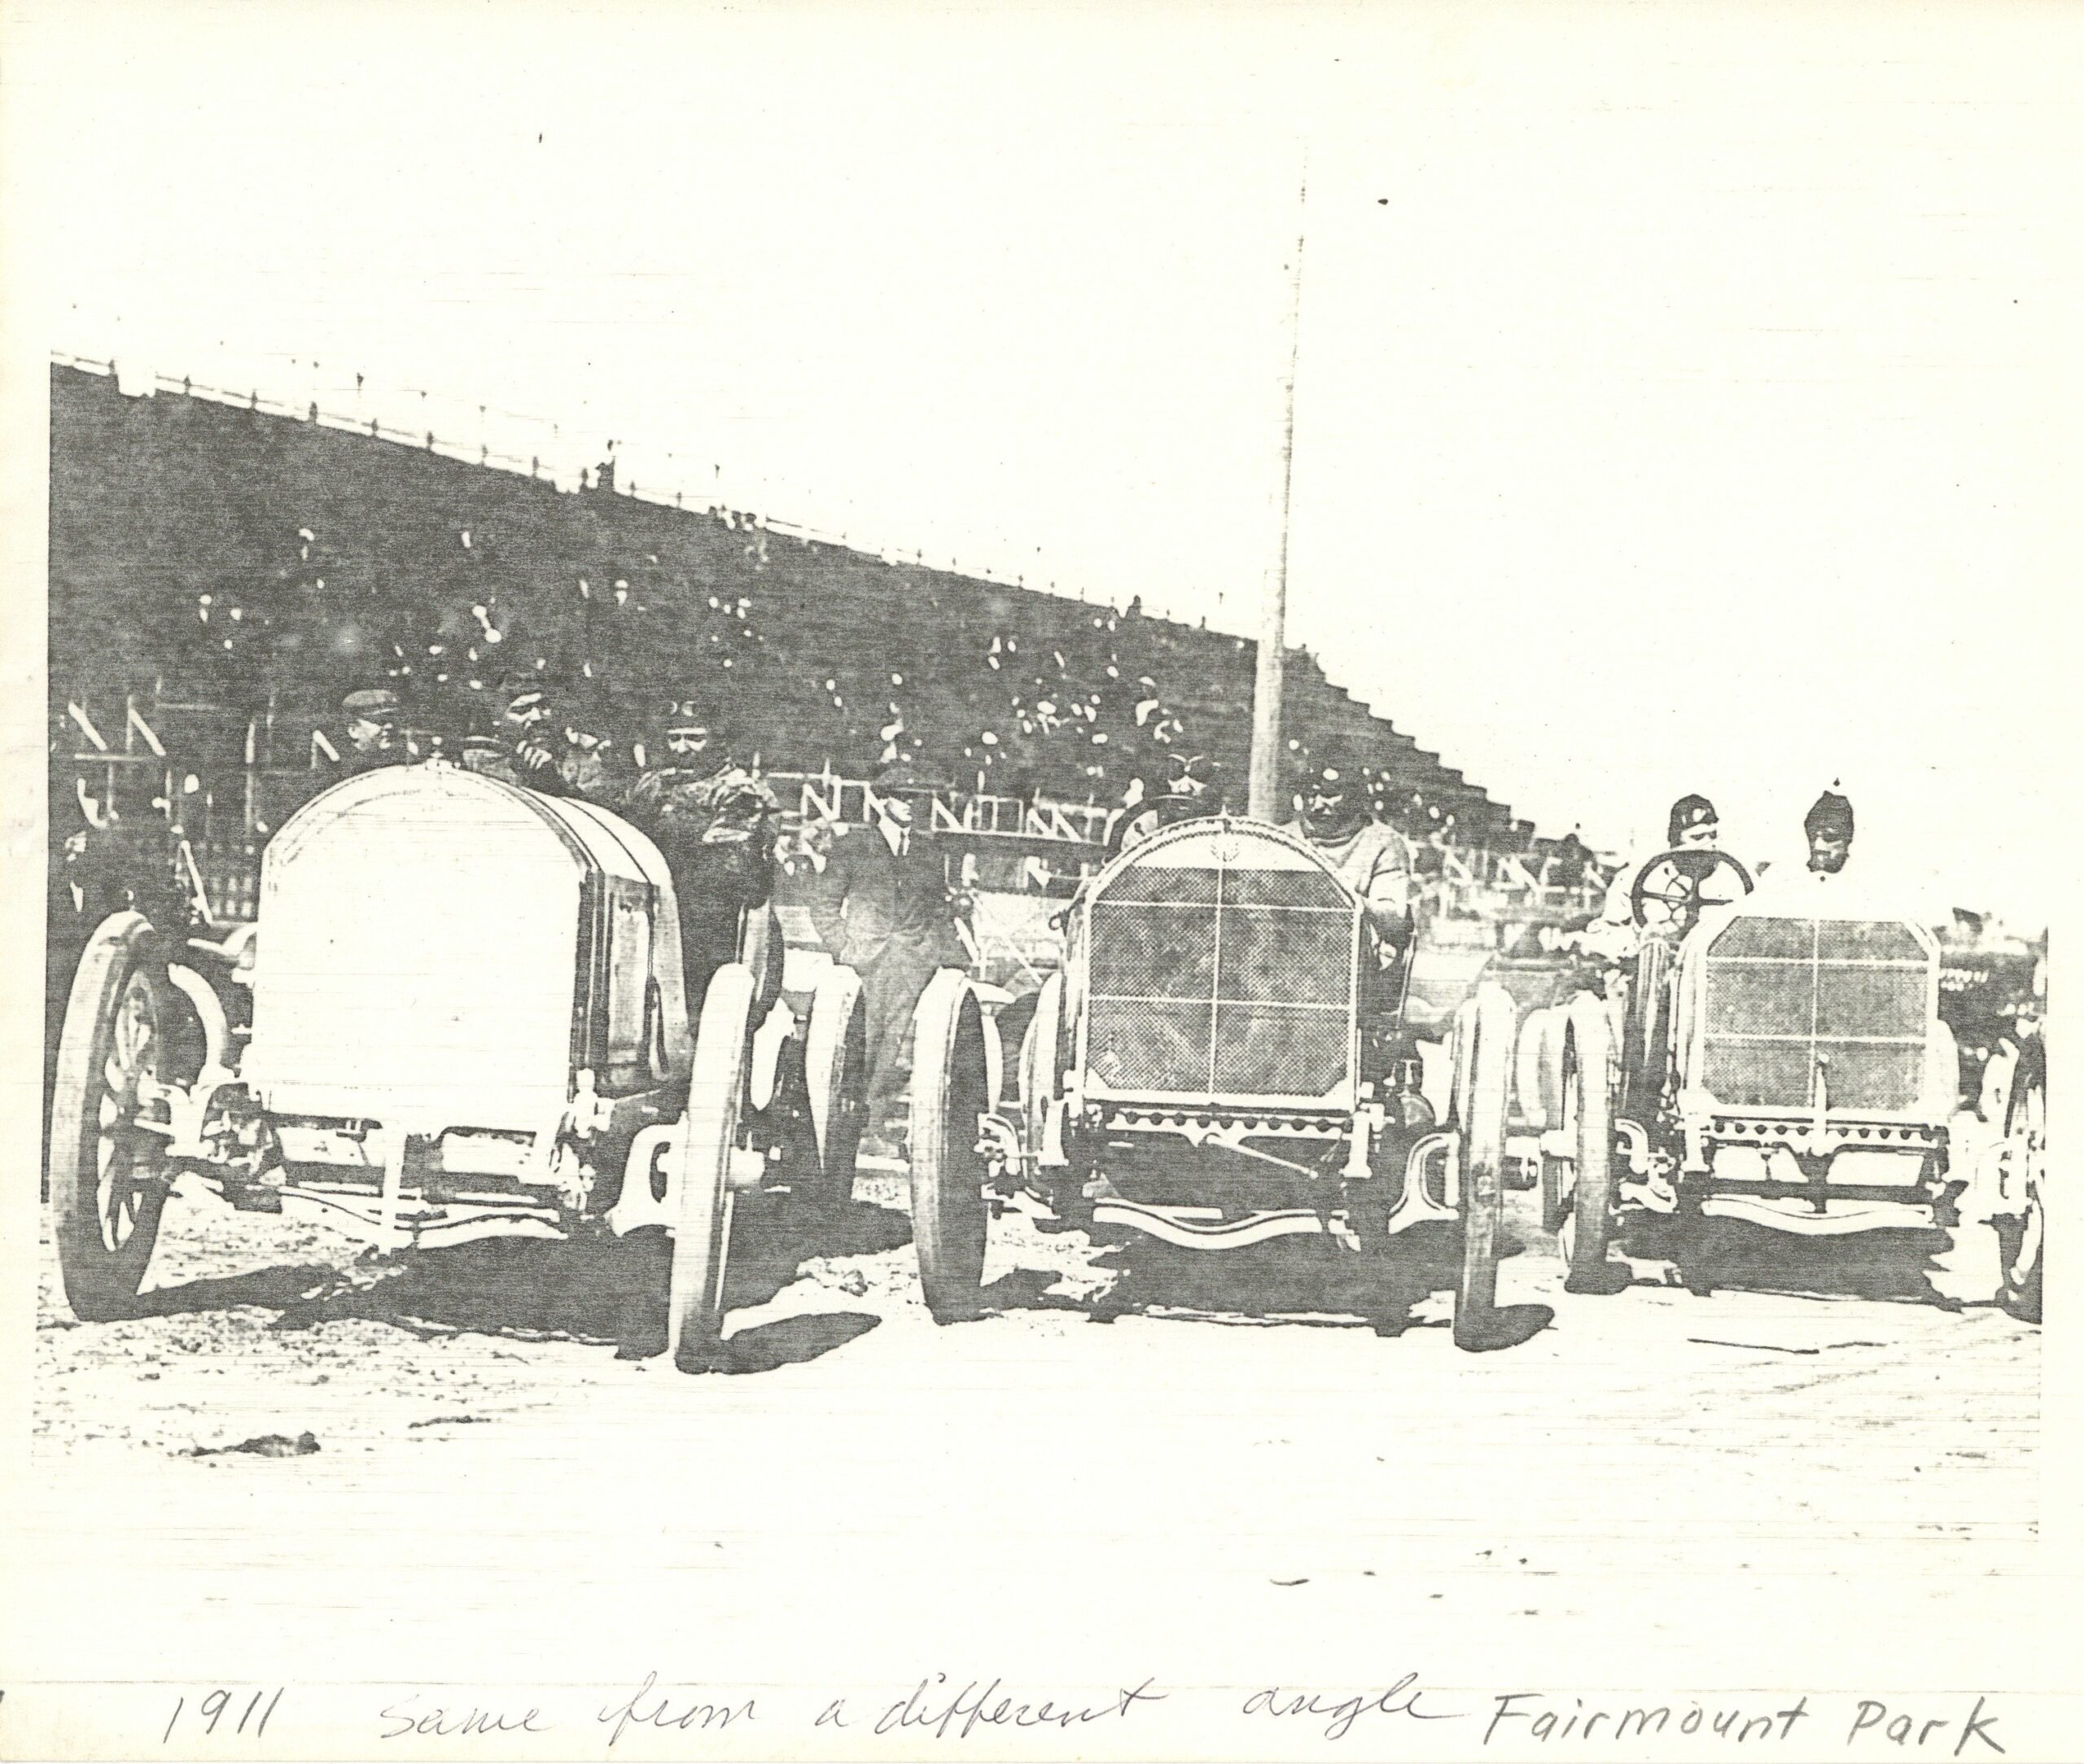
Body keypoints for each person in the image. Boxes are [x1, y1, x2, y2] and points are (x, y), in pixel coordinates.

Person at [808, 760, 968, 1157]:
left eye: (919, 797)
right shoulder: (854, 845)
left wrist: (946, 958)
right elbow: (824, 904)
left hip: (910, 962)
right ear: (883, 802)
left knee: (892, 1046)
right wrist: (843, 948)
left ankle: (873, 1128)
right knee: (857, 1041)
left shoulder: (929, 851)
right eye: (903, 798)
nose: (913, 804)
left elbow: (938, 911)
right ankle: (838, 1129)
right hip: (864, 960)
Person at [620, 700, 780, 1014]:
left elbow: (725, 867)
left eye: (695, 738)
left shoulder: (741, 792)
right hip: (648, 907)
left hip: (707, 925)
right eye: (674, 738)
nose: (682, 748)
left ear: (718, 741)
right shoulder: (653, 784)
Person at [1281, 749, 1415, 958]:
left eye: (1328, 794)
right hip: (1283, 946)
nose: (1316, 805)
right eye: (1309, 794)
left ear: (1354, 795)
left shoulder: (1383, 842)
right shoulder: (1284, 838)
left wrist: (1339, 899)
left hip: (1349, 954)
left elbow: (1393, 916)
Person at [1581, 792, 1730, 960]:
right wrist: (1644, 937)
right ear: (1675, 840)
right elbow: (1604, 931)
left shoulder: (1729, 880)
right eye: (1697, 837)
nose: (1709, 846)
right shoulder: (1632, 879)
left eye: (1713, 836)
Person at [1111, 748, 1220, 853]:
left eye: (1200, 774)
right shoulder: (1140, 822)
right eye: (1174, 772)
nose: (1185, 788)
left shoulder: (1221, 823)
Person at [339, 687, 405, 775]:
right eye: (378, 721)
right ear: (353, 731)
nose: (390, 726)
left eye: (392, 720)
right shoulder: (342, 772)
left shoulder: (404, 761)